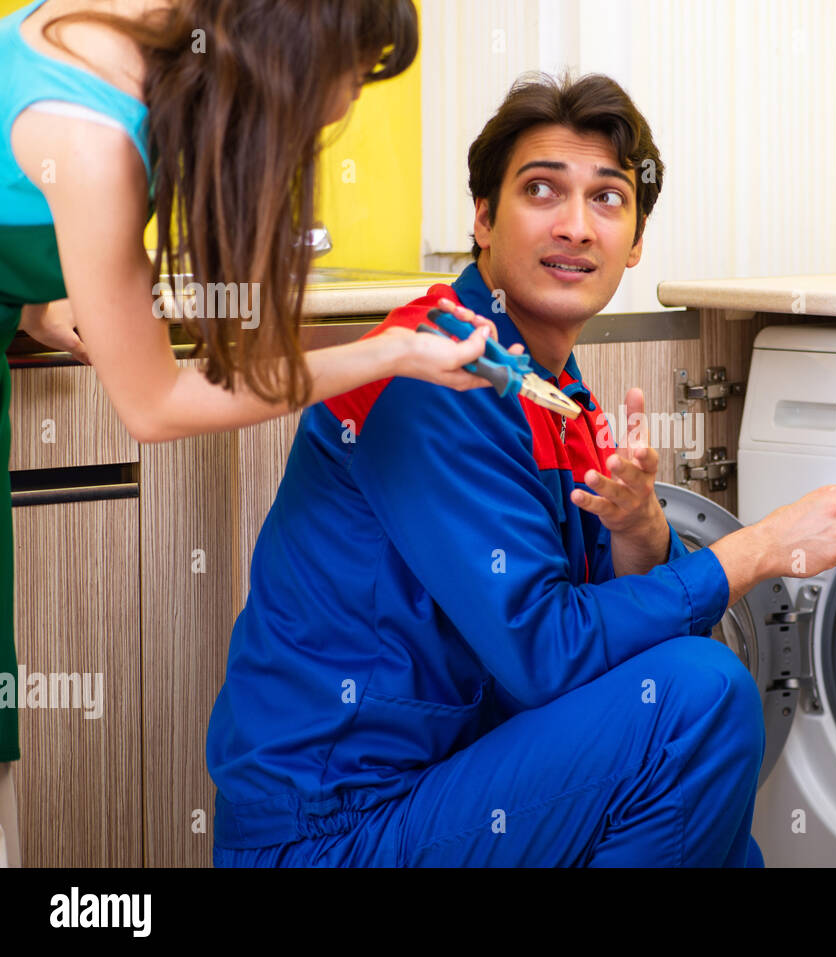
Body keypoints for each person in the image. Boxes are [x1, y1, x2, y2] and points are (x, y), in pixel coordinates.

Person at [205, 71, 836, 867]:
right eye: (541, 190)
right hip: (332, 834)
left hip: (442, 795)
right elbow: (545, 653)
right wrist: (760, 548)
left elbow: (619, 641)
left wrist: (641, 530)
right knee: (697, 699)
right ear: (483, 219)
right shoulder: (434, 370)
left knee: (710, 801)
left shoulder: (549, 390)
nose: (575, 226)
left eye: (607, 199)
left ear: (636, 242)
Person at [0, 0, 514, 868]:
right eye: (354, 71)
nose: (348, 102)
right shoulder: (94, 142)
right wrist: (389, 349)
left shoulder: (143, 27)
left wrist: (37, 297)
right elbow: (155, 405)